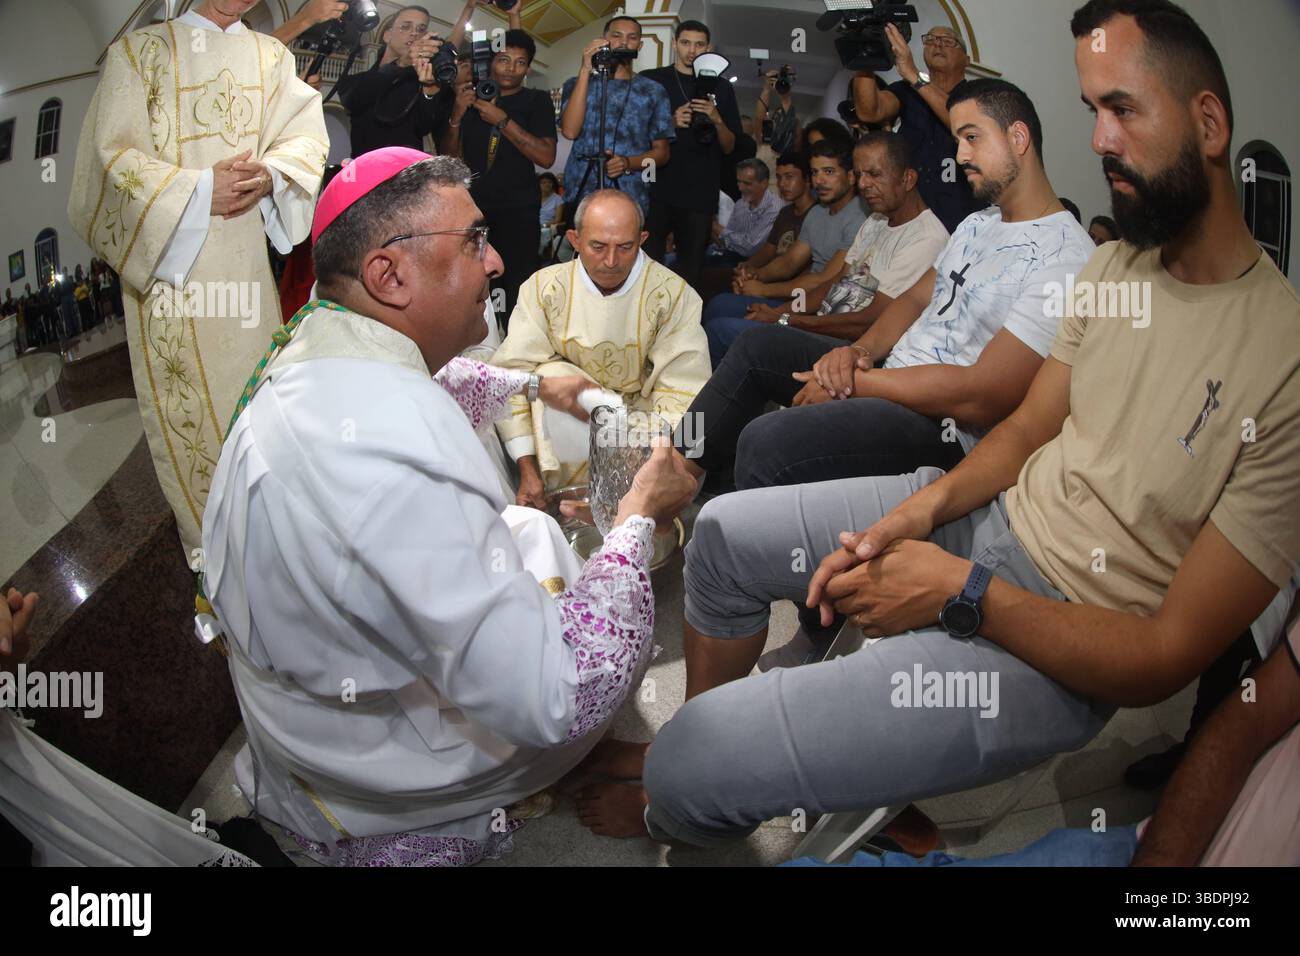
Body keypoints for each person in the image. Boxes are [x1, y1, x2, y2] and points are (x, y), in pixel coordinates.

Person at [569, 0, 1300, 851]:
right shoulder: (1117, 265)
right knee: (725, 534)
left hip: (1054, 633)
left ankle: (681, 798)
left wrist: (962, 593)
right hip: (979, 515)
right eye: (1093, 110)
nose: (1100, 140)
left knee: (701, 758)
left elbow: (1166, 656)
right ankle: (702, 760)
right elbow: (1025, 433)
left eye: (1123, 109)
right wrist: (915, 517)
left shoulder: (1280, 364)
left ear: (1207, 122)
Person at [199, 148, 697, 867]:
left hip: (298, 710)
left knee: (525, 527)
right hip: (379, 757)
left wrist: (527, 388)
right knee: (567, 612)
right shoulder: (398, 460)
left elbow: (429, 376)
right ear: (389, 274)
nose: (496, 262)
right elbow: (555, 696)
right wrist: (634, 520)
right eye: (473, 241)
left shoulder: (317, 337)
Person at [685, 80, 1093, 496]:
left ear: (1018, 137)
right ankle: (675, 478)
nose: (960, 155)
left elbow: (981, 395)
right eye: (957, 140)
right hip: (889, 375)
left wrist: (850, 383)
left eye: (971, 137)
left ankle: (742, 531)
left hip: (943, 425)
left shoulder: (1067, 257)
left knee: (766, 441)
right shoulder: (977, 224)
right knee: (757, 346)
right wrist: (855, 353)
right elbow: (916, 297)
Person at [67, 0, 328, 559]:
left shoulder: (271, 56)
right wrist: (197, 190)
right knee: (200, 425)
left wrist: (273, 175)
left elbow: (306, 137)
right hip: (170, 279)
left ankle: (275, 539)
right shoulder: (138, 55)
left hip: (247, 275)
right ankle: (221, 558)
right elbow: (107, 161)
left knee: (259, 403)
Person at [492, 189, 711, 505]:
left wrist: (652, 471)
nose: (611, 261)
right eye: (598, 247)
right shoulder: (543, 290)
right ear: (574, 239)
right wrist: (526, 467)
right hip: (570, 427)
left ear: (643, 238)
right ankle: (562, 494)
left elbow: (686, 393)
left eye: (625, 247)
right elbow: (511, 375)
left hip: (644, 432)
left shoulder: (674, 296)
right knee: (548, 376)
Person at [737, 131, 949, 344]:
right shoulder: (876, 220)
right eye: (859, 175)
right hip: (821, 326)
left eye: (874, 174)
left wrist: (786, 319)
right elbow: (834, 282)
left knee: (729, 332)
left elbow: (869, 321)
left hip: (850, 347)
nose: (863, 184)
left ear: (907, 179)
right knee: (723, 310)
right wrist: (780, 310)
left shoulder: (926, 238)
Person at [702, 139, 868, 365]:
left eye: (829, 172)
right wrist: (754, 277)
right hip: (801, 302)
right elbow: (789, 262)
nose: (819, 180)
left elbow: (826, 281)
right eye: (815, 172)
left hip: (820, 311)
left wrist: (766, 293)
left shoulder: (860, 218)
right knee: (718, 304)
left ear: (850, 176)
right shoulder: (818, 212)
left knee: (717, 330)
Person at [442, 21, 556, 322]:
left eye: (520, 63)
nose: (510, 69)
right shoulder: (471, 96)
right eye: (504, 59)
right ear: (491, 60)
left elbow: (545, 156)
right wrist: (456, 113)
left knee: (519, 283)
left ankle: (518, 345)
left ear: (528, 69)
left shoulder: (537, 101)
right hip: (473, 206)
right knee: (469, 279)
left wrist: (502, 120)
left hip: (519, 207)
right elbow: (449, 160)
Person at [852, 24, 981, 232]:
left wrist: (913, 75)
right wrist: (866, 58)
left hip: (964, 218)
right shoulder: (905, 91)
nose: (937, 44)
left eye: (948, 41)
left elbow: (964, 124)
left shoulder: (978, 94)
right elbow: (869, 111)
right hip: (912, 218)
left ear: (966, 59)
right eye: (930, 39)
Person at [642, 20, 742, 287]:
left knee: (690, 273)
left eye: (699, 44)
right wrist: (670, 123)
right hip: (656, 189)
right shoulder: (652, 80)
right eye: (685, 42)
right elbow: (635, 136)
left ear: (708, 47)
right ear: (674, 43)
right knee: (645, 268)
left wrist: (717, 118)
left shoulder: (722, 87)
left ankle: (682, 328)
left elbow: (730, 146)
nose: (692, 50)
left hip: (700, 194)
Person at [559, 17, 674, 219]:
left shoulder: (653, 91)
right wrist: (586, 68)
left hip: (630, 192)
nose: (623, 43)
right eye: (616, 35)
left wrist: (628, 162)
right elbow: (570, 131)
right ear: (603, 39)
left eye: (631, 38)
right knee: (580, 248)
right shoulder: (576, 83)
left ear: (640, 44)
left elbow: (662, 154)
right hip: (581, 187)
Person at [694, 150, 813, 302]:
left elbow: (788, 265)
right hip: (759, 271)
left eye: (789, 177)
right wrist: (747, 267)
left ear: (808, 179)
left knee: (718, 301)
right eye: (779, 177)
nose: (782, 184)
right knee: (699, 275)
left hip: (787, 289)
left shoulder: (815, 215)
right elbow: (767, 250)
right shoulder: (785, 212)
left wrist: (756, 275)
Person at [336, 5, 450, 157]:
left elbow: (423, 127)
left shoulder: (421, 84)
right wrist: (401, 63)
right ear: (387, 35)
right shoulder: (356, 81)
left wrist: (429, 91)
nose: (415, 33)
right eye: (405, 27)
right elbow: (353, 99)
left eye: (421, 29)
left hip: (408, 175)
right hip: (368, 173)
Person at [706, 158, 783, 268]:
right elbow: (727, 241)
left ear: (764, 184)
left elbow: (750, 247)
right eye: (738, 182)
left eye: (747, 183)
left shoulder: (774, 208)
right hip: (732, 256)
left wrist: (716, 227)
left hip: (757, 264)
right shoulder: (740, 203)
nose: (740, 188)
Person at [756, 66, 798, 155]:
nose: (778, 120)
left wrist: (784, 88)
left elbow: (787, 109)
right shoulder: (765, 142)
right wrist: (766, 88)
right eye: (776, 117)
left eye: (779, 117)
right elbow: (759, 120)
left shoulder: (789, 133)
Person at [538, 172, 564, 257]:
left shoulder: (557, 199)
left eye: (549, 182)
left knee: (542, 233)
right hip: (532, 224)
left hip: (547, 227)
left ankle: (538, 257)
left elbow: (557, 220)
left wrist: (544, 225)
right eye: (543, 182)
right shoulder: (534, 197)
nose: (547, 184)